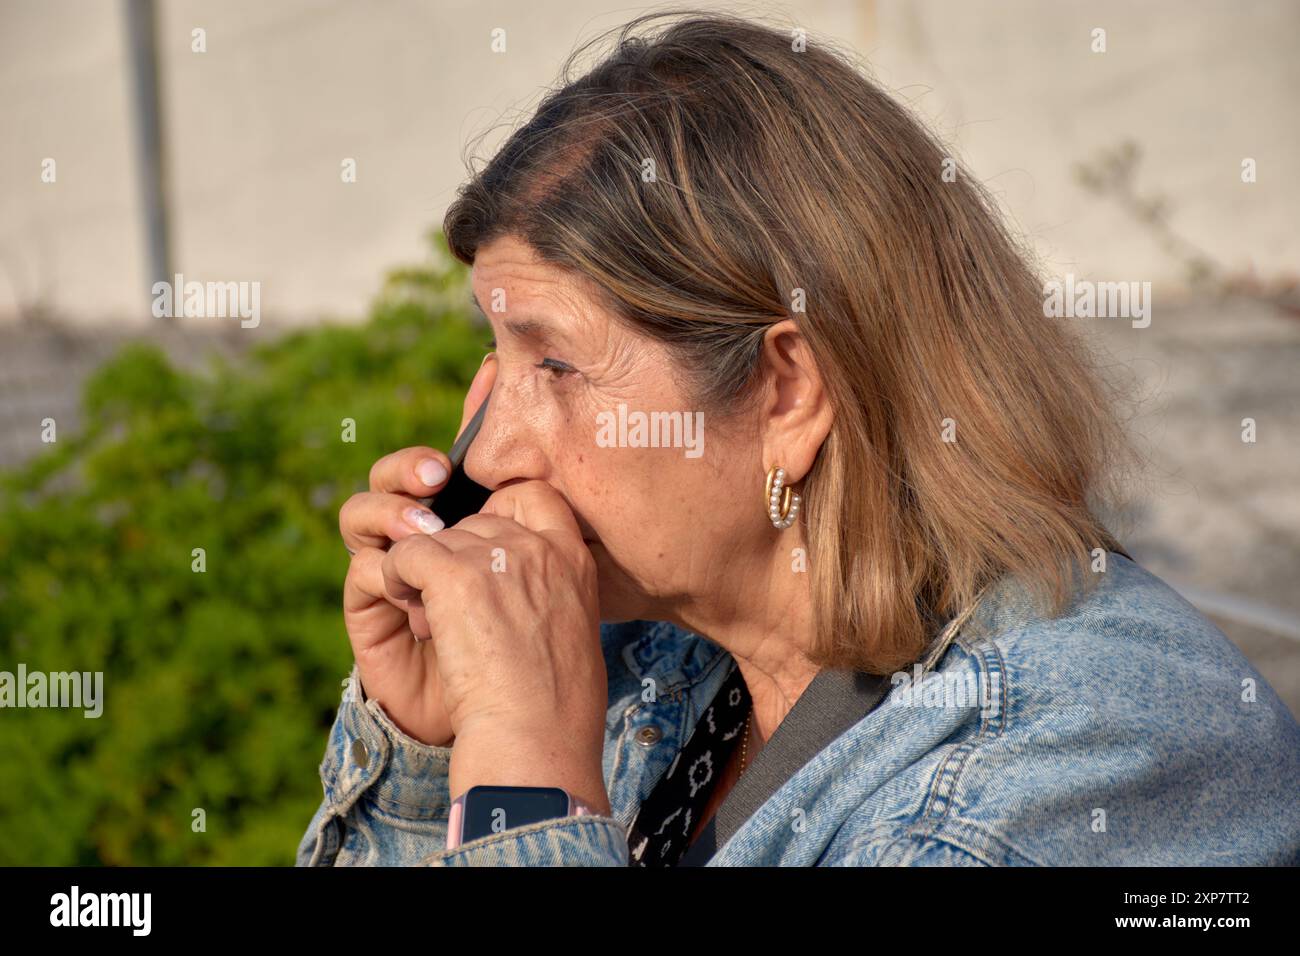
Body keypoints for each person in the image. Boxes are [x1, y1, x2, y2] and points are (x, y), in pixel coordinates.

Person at [295, 12, 1300, 867]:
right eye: (493, 352)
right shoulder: (659, 657)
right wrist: (437, 751)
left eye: (553, 362)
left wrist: (526, 774)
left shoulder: (1059, 778)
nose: (484, 452)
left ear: (786, 393)